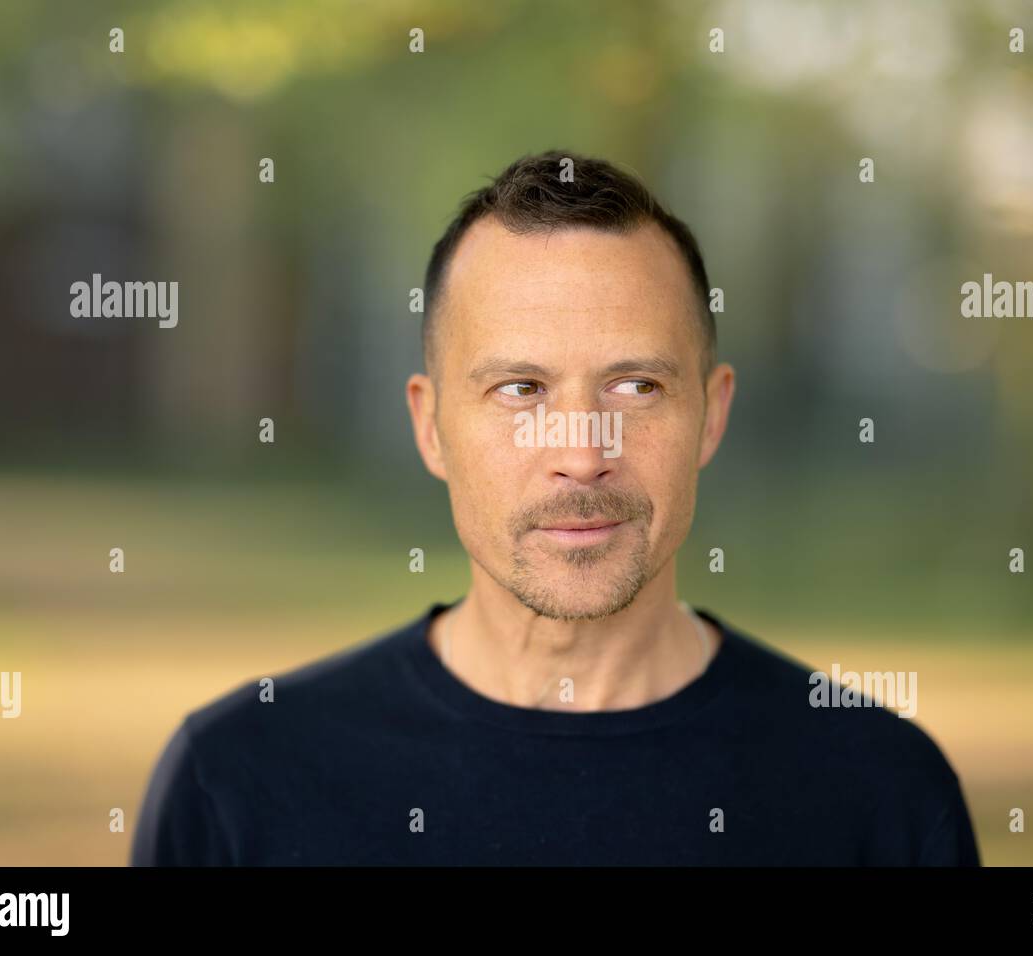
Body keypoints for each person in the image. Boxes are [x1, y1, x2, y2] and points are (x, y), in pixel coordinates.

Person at [131, 150, 980, 866]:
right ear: (430, 425)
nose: (581, 453)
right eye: (520, 389)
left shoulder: (879, 793)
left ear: (711, 415)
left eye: (636, 386)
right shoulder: (240, 782)